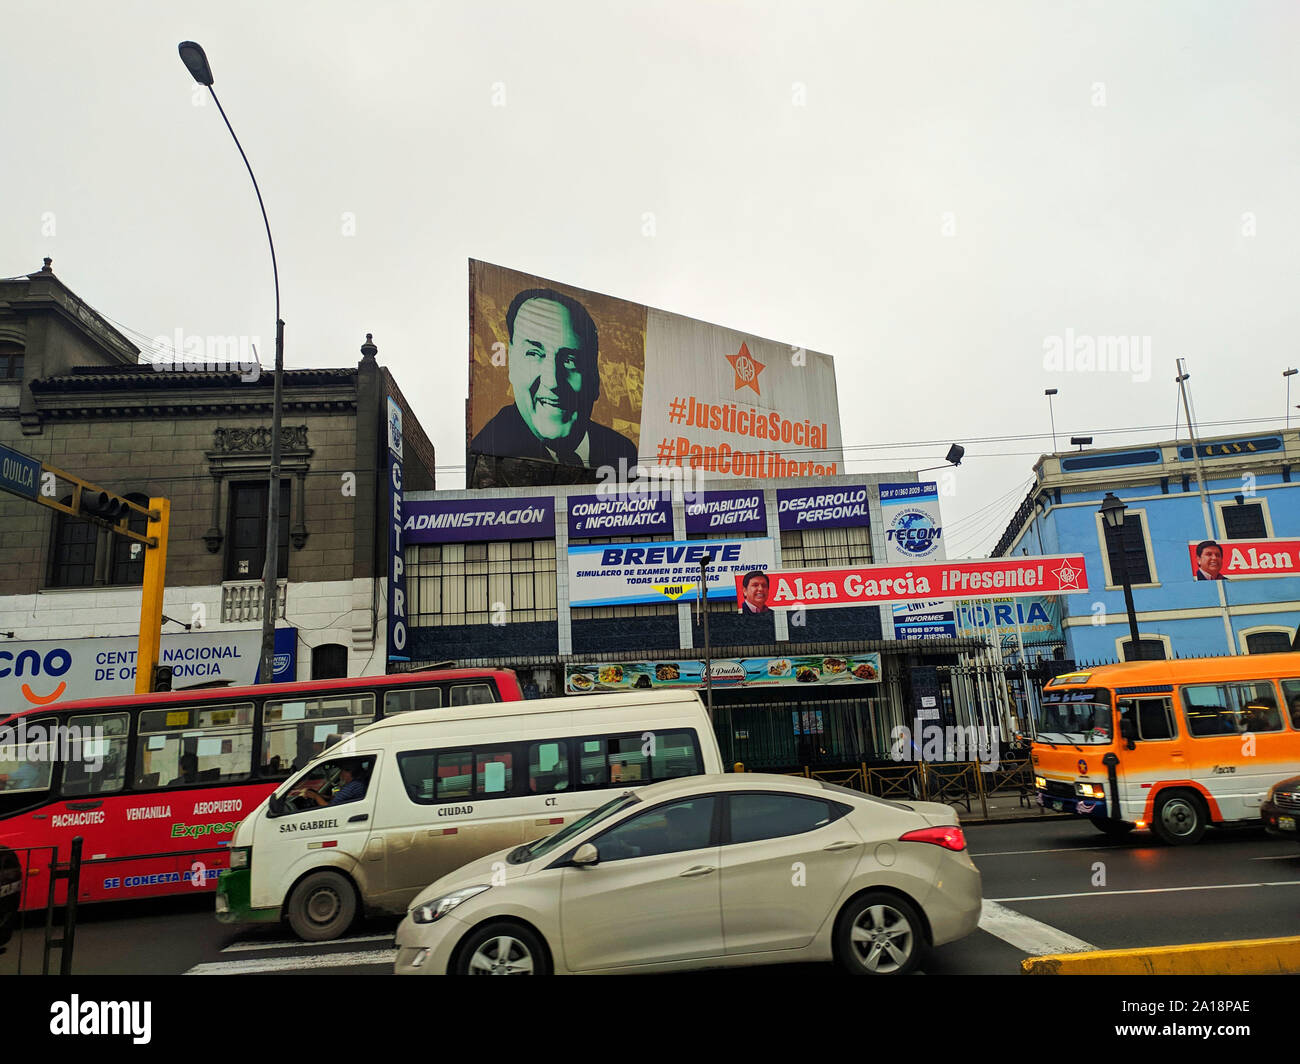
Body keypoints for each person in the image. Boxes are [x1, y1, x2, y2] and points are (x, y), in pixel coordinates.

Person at [470, 288, 638, 472]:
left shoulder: (623, 451)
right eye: (533, 354)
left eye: (570, 360)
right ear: (512, 366)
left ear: (595, 378)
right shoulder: (489, 451)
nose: (553, 382)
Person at [301, 760, 368, 807]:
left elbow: (328, 807)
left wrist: (316, 796)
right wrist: (320, 795)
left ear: (348, 772)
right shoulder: (356, 784)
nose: (341, 774)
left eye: (342, 771)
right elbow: (338, 799)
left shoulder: (353, 786)